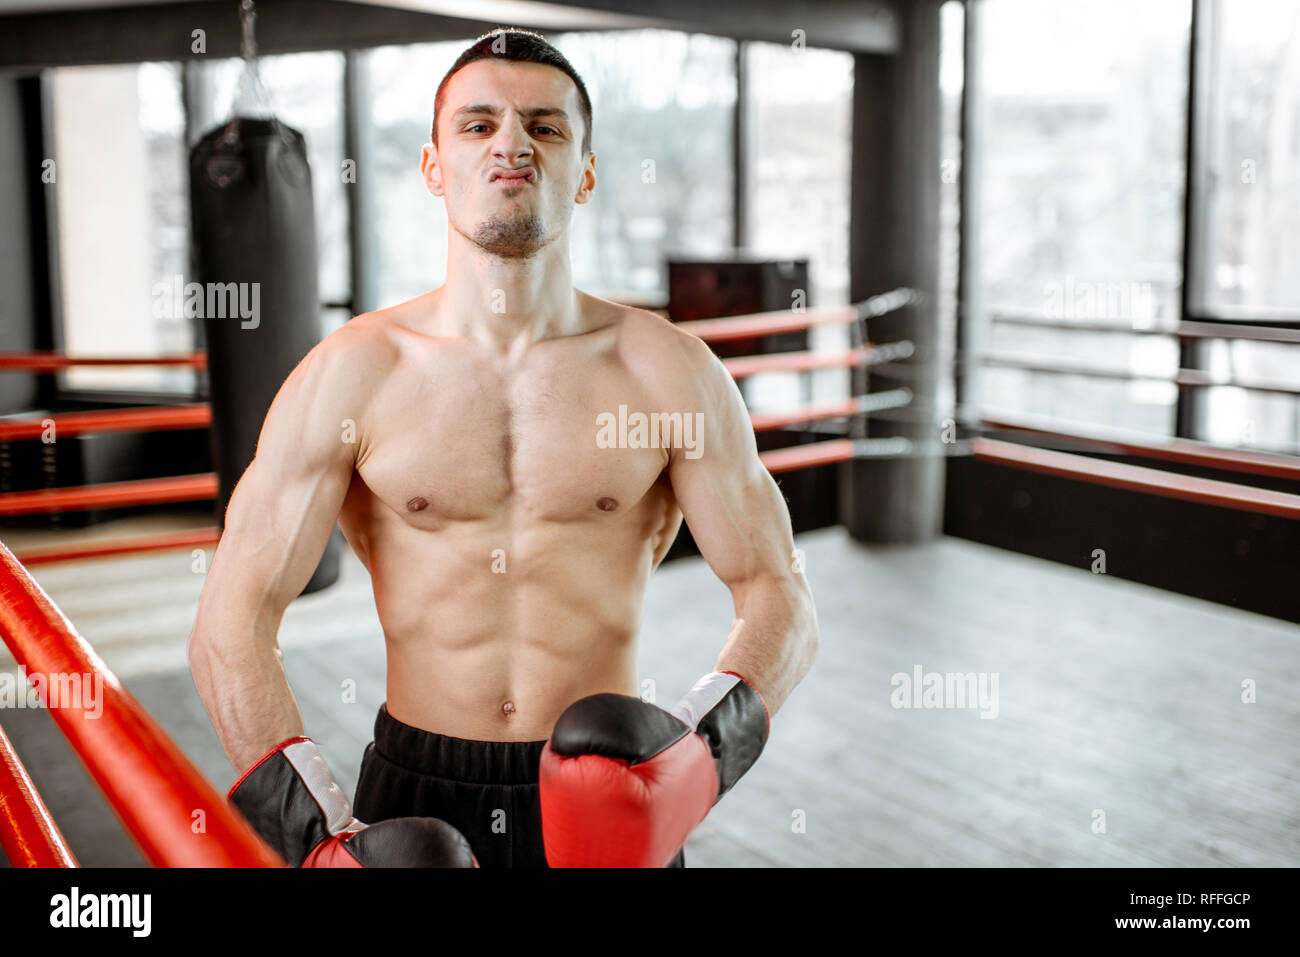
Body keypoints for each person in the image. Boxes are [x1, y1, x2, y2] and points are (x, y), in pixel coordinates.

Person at [188, 27, 818, 868]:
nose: (512, 143)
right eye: (477, 124)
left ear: (586, 170)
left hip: (612, 789)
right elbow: (232, 620)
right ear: (432, 165)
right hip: (415, 784)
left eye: (546, 127)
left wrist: (697, 758)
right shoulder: (353, 373)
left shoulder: (668, 370)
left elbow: (779, 592)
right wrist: (316, 835)